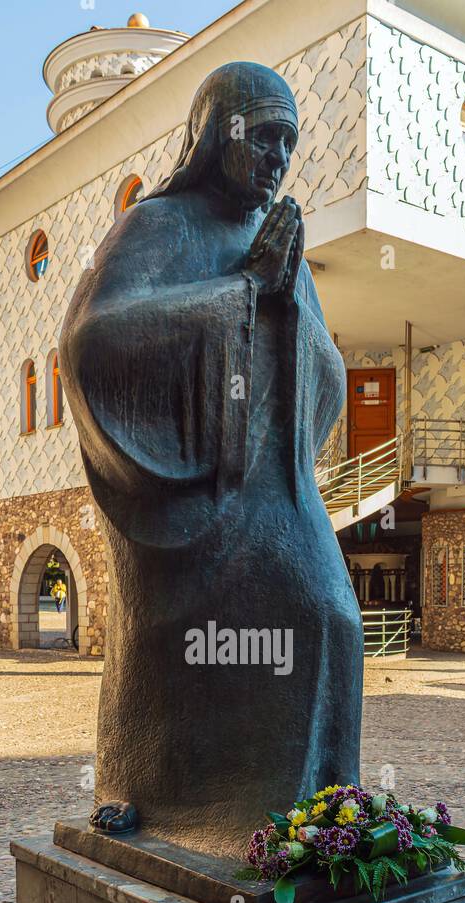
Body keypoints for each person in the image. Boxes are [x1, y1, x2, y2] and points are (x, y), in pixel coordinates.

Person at [60, 62, 363, 854]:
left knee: (330, 615)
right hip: (186, 493)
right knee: (298, 616)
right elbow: (95, 341)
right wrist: (240, 296)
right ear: (216, 134)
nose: (277, 159)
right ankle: (178, 799)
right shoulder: (156, 226)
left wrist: (285, 299)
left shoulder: (275, 241)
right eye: (263, 137)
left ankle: (307, 822)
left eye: (289, 144)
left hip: (272, 483)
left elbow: (327, 374)